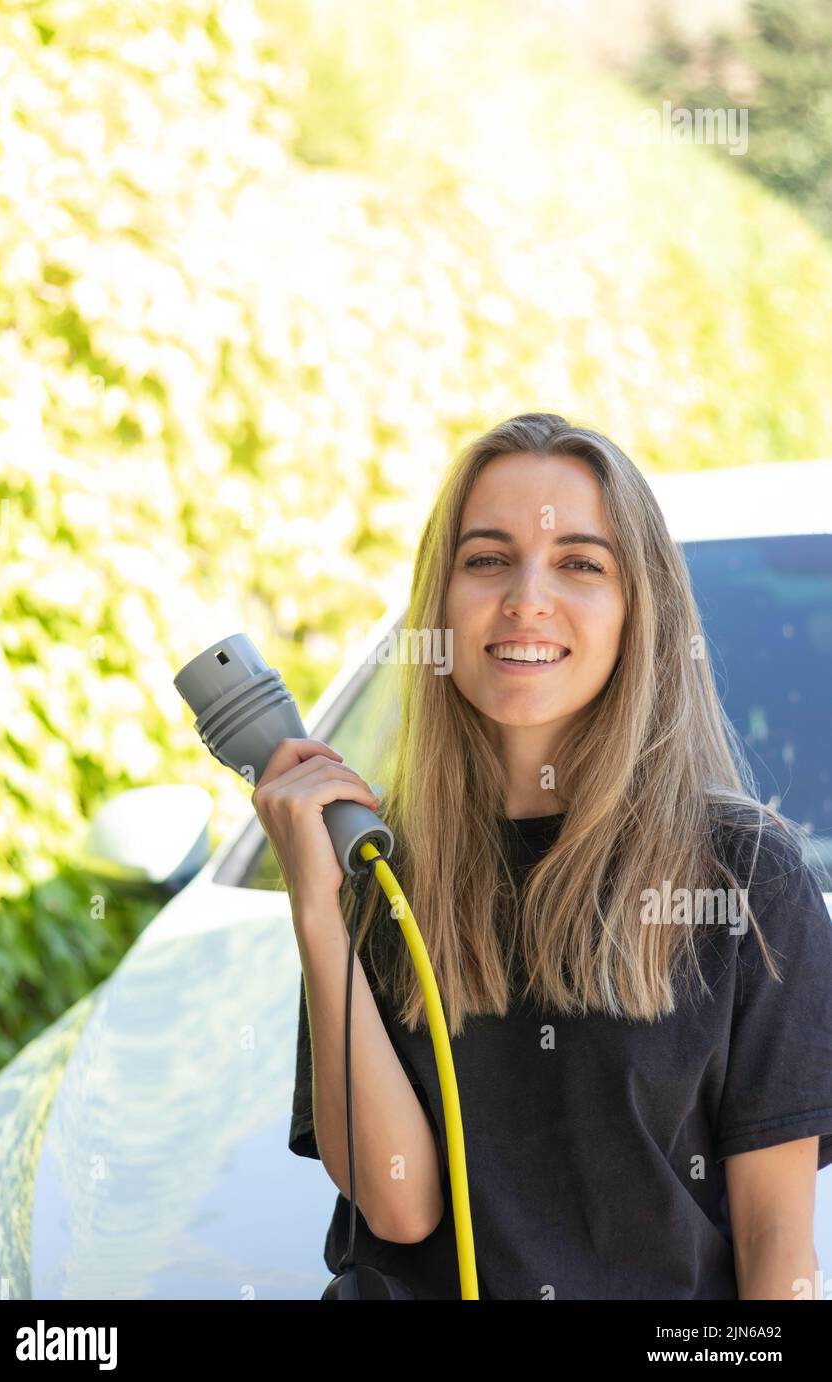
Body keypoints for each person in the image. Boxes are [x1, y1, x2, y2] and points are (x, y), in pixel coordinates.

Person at [256, 412, 832, 1300]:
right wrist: (316, 911)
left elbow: (777, 1246)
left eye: (580, 564)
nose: (527, 596)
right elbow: (398, 1208)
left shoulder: (746, 877)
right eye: (487, 559)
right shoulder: (376, 872)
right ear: (439, 603)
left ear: (640, 610)